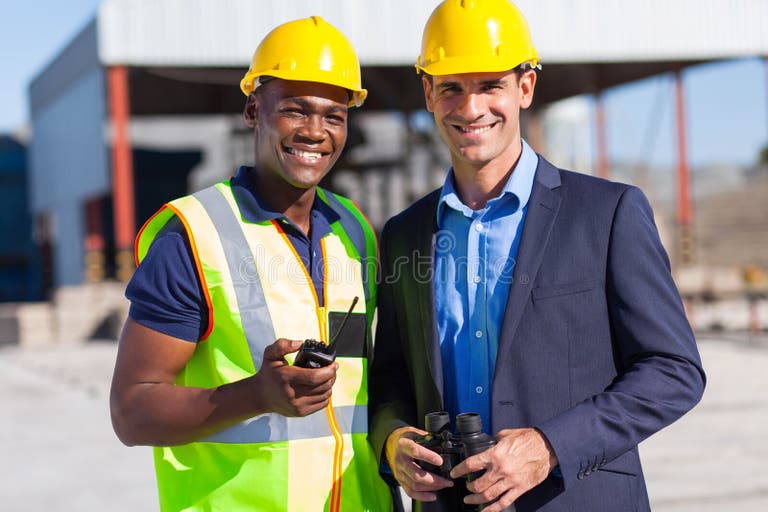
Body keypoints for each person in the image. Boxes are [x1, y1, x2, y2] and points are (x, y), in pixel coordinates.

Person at [368, 1, 706, 511]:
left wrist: (551, 446)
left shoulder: (607, 213)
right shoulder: (404, 234)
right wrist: (392, 441)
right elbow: (392, 376)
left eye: (490, 86)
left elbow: (674, 369)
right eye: (452, 87)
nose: (471, 107)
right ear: (428, 94)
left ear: (525, 87)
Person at [110, 16, 392, 512]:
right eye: (295, 110)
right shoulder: (193, 236)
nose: (315, 132)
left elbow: (358, 383)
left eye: (334, 115)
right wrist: (255, 395)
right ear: (253, 109)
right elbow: (132, 412)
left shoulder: (354, 231)